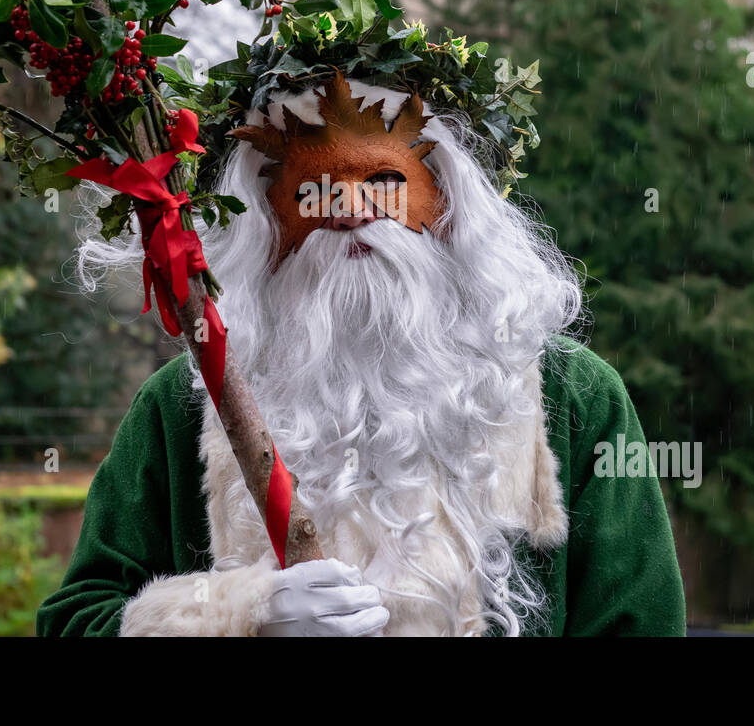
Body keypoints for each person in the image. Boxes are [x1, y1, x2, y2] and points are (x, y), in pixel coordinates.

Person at [37, 70, 686, 636]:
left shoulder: (574, 396)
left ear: (449, 207)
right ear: (263, 223)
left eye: (382, 180)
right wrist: (240, 615)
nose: (349, 211)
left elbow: (639, 623)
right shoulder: (184, 403)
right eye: (312, 191)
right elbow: (74, 620)